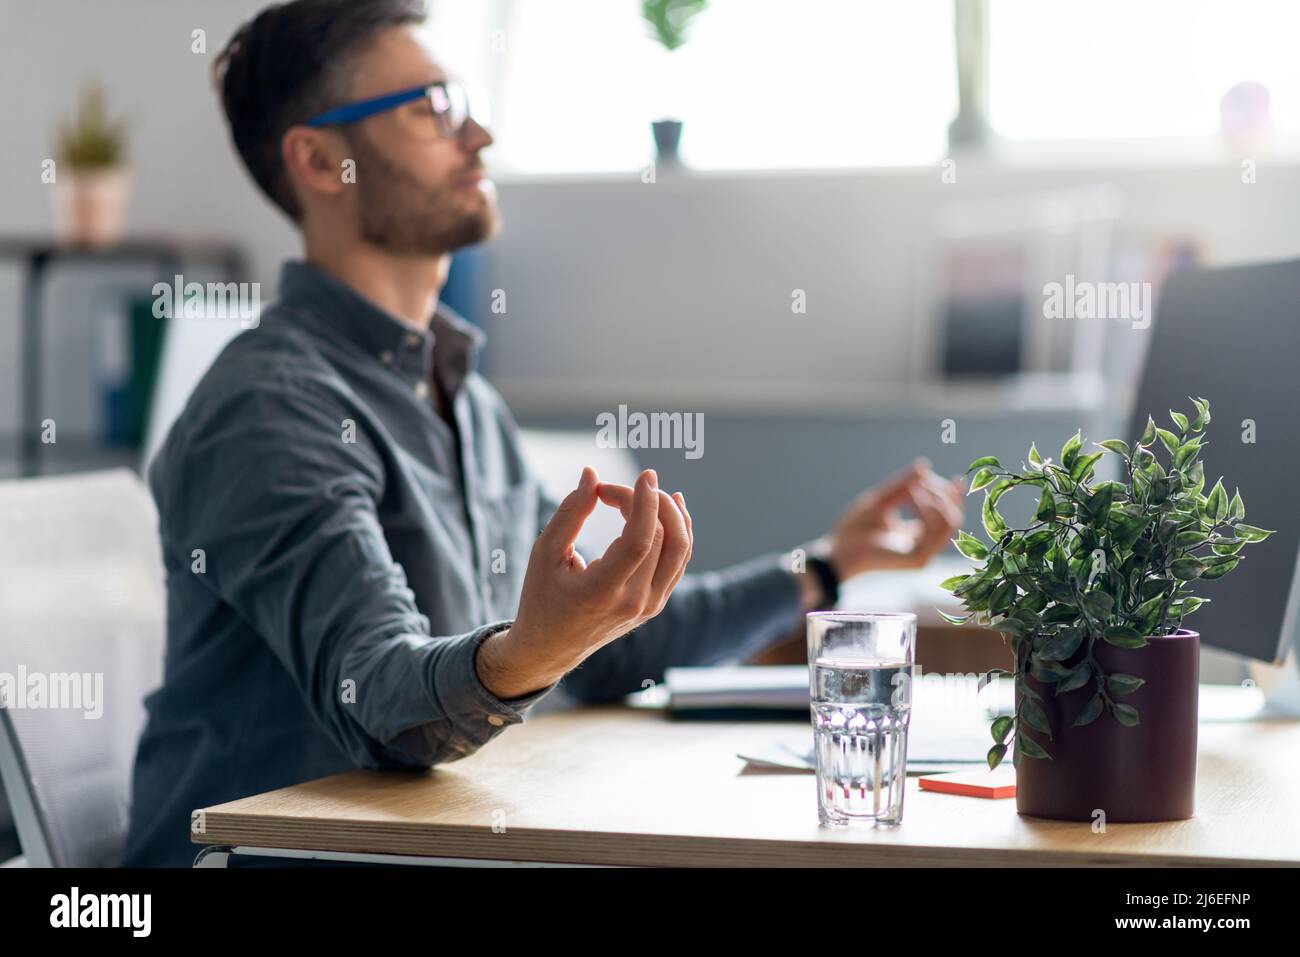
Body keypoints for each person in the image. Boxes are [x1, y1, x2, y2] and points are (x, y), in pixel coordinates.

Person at [122, 0, 964, 867]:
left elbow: (613, 647)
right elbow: (379, 698)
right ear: (319, 159)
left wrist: (830, 562)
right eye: (433, 108)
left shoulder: (462, 399)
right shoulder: (269, 407)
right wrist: (532, 647)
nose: (479, 134)